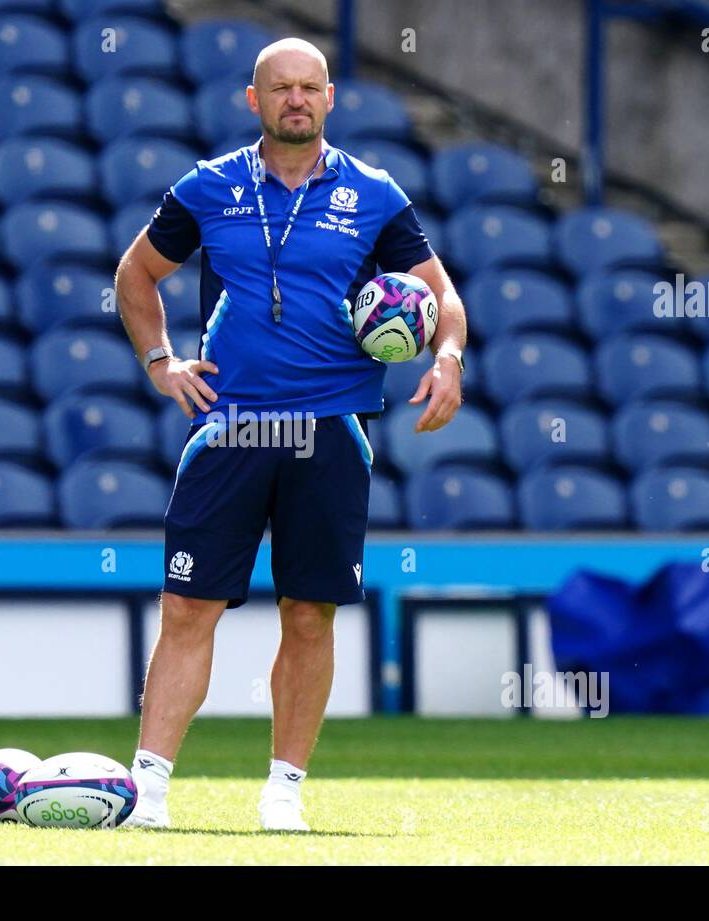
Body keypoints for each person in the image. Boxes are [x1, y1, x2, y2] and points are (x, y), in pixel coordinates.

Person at [113, 37, 467, 830]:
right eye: (282, 88)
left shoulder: (375, 195)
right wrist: (162, 360)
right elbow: (135, 275)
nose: (296, 100)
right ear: (255, 100)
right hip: (230, 425)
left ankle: (283, 791)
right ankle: (150, 790)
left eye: (311, 87)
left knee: (310, 613)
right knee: (187, 607)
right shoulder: (208, 188)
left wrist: (447, 359)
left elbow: (444, 297)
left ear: (331, 99)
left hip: (333, 427)